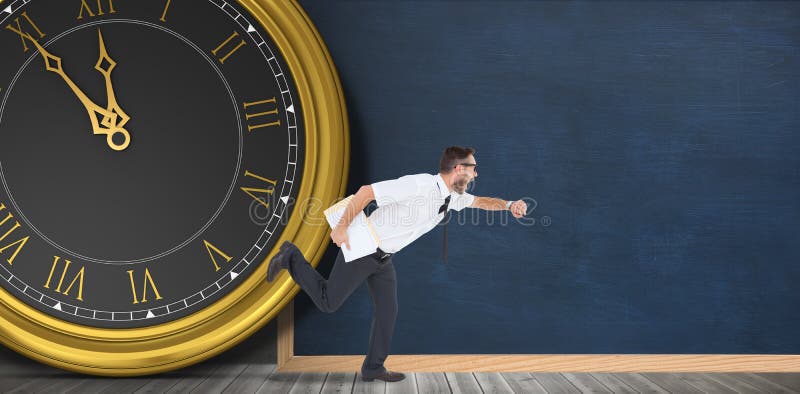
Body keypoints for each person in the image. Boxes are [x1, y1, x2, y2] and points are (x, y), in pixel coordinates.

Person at [266, 146, 528, 382]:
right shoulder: (419, 185)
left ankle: (373, 368)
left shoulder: (452, 197)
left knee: (387, 311)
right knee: (328, 302)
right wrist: (342, 227)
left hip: (384, 258)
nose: (476, 175)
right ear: (458, 169)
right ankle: (291, 256)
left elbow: (481, 202)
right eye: (473, 169)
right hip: (364, 249)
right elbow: (367, 192)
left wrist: (509, 205)